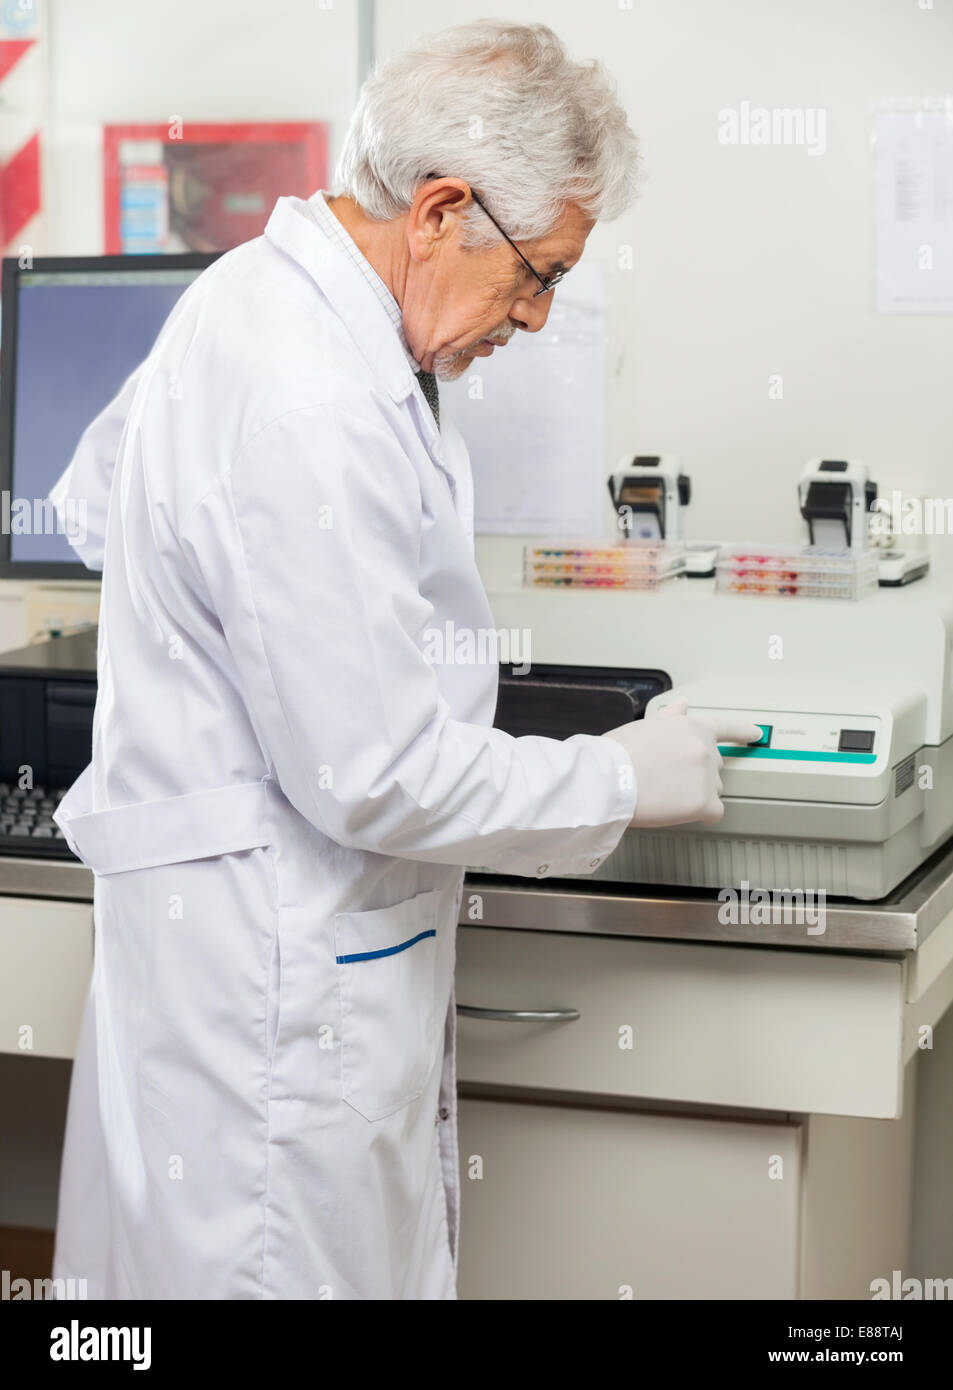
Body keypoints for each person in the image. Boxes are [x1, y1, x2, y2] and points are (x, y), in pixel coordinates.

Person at [49, 20, 759, 1299]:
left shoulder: (249, 300)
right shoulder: (311, 391)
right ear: (439, 210)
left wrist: (207, 667)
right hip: (267, 985)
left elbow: (95, 507)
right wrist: (619, 775)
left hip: (231, 947)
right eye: (536, 274)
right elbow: (375, 775)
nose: (536, 319)